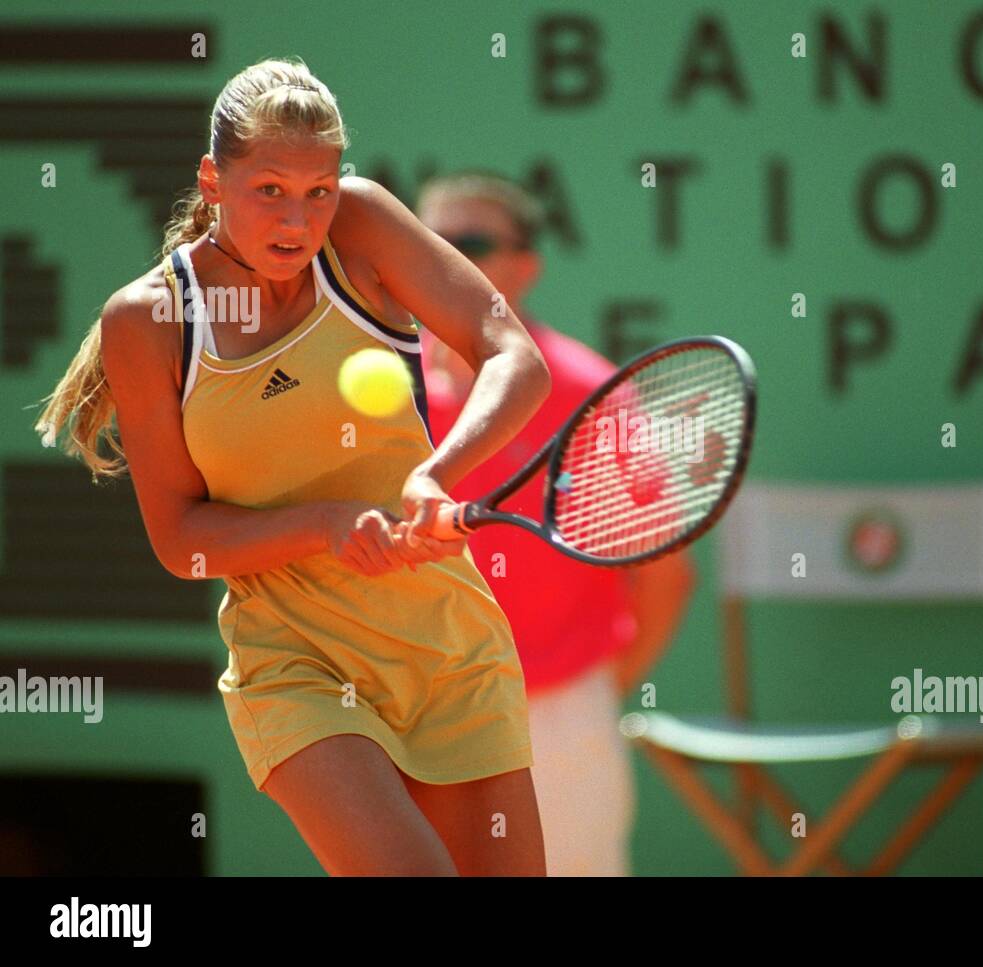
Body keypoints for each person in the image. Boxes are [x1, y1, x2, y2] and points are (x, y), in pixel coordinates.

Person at [32, 59, 553, 877]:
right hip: (294, 661)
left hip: (450, 648)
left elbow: (512, 355)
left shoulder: (365, 225)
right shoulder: (150, 319)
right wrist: (326, 524)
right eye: (268, 188)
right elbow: (181, 540)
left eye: (317, 191)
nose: (297, 217)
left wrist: (433, 476)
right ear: (212, 180)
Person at [415, 172, 696, 876]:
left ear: (526, 266)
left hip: (557, 720)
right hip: (404, 716)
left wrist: (584, 689)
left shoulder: (584, 391)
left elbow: (666, 572)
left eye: (472, 243)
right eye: (428, 242)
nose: (448, 257)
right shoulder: (381, 390)